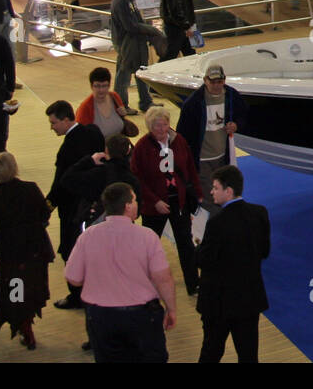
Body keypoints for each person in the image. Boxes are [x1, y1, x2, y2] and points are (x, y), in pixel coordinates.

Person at [65, 181, 178, 363]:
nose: (137, 204)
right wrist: (171, 309)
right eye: (134, 200)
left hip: (101, 317)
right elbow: (163, 278)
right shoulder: (147, 236)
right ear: (127, 206)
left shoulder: (88, 236)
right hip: (141, 316)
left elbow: (73, 278)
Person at [196, 163, 271, 363]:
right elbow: (265, 251)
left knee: (211, 353)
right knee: (248, 355)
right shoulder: (260, 213)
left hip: (218, 303)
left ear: (228, 191)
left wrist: (197, 248)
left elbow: (205, 260)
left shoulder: (216, 223)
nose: (211, 192)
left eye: (215, 188)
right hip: (248, 299)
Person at [0, 151, 54, 350]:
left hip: (11, 251)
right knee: (33, 284)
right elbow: (45, 212)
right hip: (36, 247)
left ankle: (20, 323)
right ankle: (27, 322)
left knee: (16, 288)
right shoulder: (31, 188)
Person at [131, 108, 201, 296]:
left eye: (164, 124)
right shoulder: (142, 147)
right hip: (154, 206)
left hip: (179, 202)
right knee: (148, 246)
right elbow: (137, 179)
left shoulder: (179, 141)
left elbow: (190, 168)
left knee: (185, 243)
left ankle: (194, 284)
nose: (161, 129)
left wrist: (198, 192)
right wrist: (154, 201)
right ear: (149, 127)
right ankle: (143, 284)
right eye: (156, 125)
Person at [45, 100, 104, 310]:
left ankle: (78, 295)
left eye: (53, 123)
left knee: (70, 250)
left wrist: (47, 206)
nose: (51, 127)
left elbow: (60, 182)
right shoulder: (93, 132)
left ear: (66, 119)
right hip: (94, 205)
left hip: (72, 208)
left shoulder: (67, 148)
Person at [176, 64, 248, 214]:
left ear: (224, 80)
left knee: (225, 193)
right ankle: (215, 229)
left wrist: (236, 125)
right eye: (212, 82)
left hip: (224, 157)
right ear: (205, 80)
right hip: (202, 160)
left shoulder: (232, 96)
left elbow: (244, 115)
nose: (216, 85)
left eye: (219, 82)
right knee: (209, 199)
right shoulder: (193, 103)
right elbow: (182, 133)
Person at [111, 0, 165, 114]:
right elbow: (129, 25)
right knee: (124, 74)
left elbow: (137, 19)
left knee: (141, 71)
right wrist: (150, 30)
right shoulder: (120, 0)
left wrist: (145, 32)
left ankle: (145, 102)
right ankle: (121, 105)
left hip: (136, 41)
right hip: (126, 43)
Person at [76, 66, 130, 139]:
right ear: (91, 86)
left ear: (109, 85)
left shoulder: (114, 97)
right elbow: (80, 136)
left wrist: (123, 114)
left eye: (104, 86)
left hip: (119, 146)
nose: (101, 90)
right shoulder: (86, 107)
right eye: (97, 86)